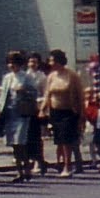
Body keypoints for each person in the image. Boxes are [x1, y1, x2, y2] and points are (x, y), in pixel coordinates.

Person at [0, 50, 38, 182]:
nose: (11, 65)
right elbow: (3, 94)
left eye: (14, 63)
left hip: (22, 112)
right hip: (10, 112)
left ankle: (27, 169)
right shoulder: (7, 77)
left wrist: (24, 90)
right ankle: (19, 172)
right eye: (9, 63)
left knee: (20, 142)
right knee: (13, 143)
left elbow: (34, 93)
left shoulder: (26, 76)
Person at [40, 49, 84, 178]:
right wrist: (43, 109)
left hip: (69, 111)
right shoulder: (51, 76)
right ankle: (62, 163)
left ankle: (67, 166)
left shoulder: (72, 75)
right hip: (55, 111)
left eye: (53, 60)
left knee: (66, 139)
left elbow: (80, 96)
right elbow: (47, 94)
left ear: (59, 61)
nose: (50, 62)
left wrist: (82, 114)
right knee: (59, 139)